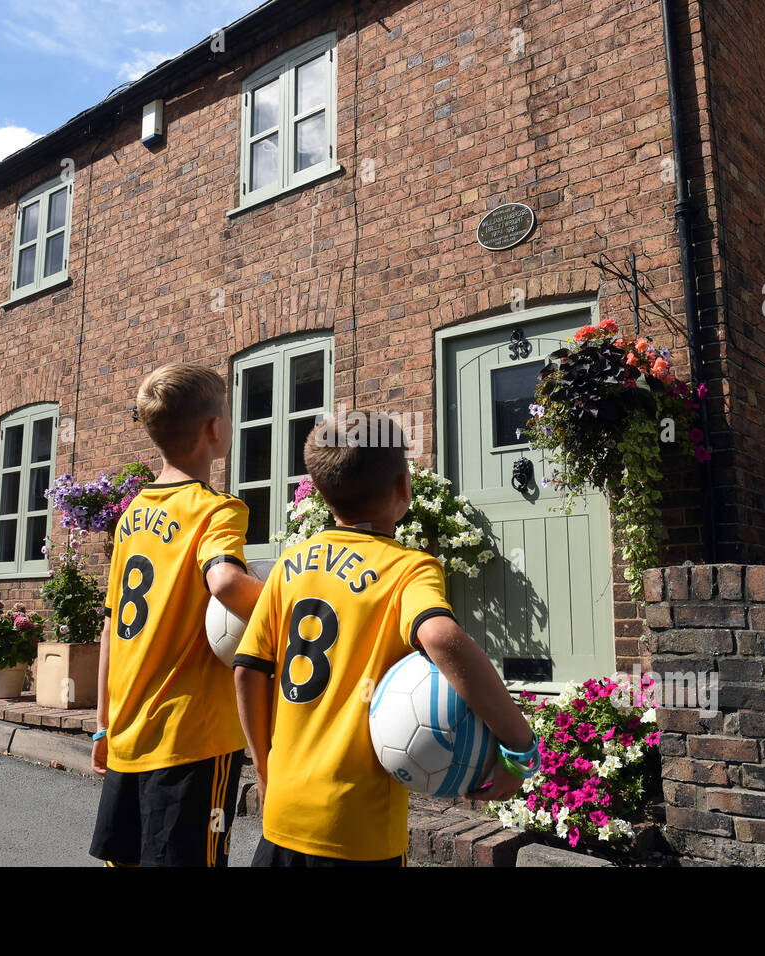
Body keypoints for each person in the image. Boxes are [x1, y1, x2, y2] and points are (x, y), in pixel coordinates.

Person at [233, 411, 537, 866]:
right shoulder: (408, 568)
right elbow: (437, 633)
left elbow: (247, 669)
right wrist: (519, 749)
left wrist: (262, 763)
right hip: (359, 831)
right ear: (404, 489)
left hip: (284, 814)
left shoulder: (289, 566)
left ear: (318, 492)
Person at [88, 363, 262, 867]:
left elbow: (109, 625)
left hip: (126, 731)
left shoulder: (130, 515)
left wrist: (102, 725)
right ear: (214, 429)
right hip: (192, 739)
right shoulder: (215, 509)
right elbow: (226, 582)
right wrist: (284, 608)